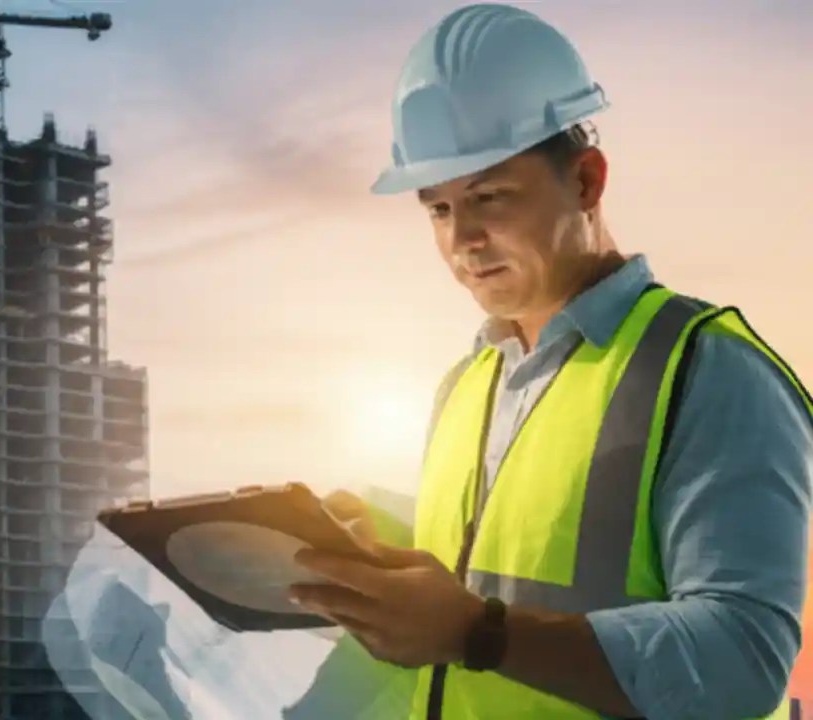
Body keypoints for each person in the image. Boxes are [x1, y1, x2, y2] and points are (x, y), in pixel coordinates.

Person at [287, 3, 813, 719]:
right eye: (437, 209)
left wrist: (479, 634)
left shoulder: (709, 369)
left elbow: (741, 656)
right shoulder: (468, 385)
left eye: (489, 196)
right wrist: (381, 568)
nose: (462, 238)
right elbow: (518, 572)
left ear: (587, 182)